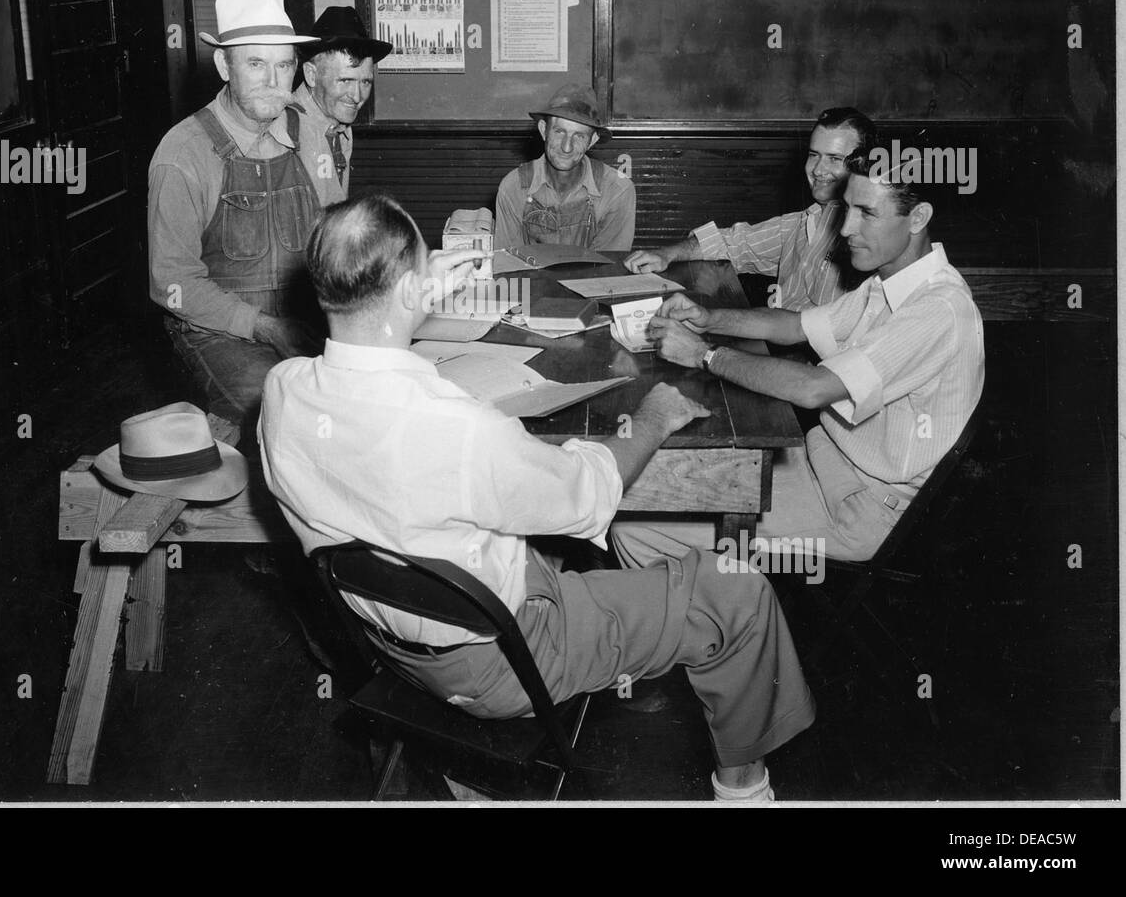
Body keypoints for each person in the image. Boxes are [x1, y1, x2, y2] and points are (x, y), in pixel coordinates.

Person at [259, 193, 815, 802]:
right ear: (410, 290)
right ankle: (746, 792)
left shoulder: (282, 394)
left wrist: (414, 297)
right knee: (738, 591)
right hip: (501, 665)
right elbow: (589, 495)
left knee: (530, 547)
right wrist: (653, 419)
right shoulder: (459, 429)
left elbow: (376, 384)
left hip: (385, 647)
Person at [619, 149, 984, 566]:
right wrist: (709, 317)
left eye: (866, 213)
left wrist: (703, 354)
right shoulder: (886, 284)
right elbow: (795, 326)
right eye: (847, 209)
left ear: (917, 218)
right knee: (638, 487)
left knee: (635, 527)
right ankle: (722, 606)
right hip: (824, 460)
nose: (846, 228)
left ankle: (729, 618)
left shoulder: (937, 308)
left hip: (861, 508)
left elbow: (813, 389)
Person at [147, 0, 321, 433]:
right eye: (256, 63)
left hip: (302, 321)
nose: (272, 80)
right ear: (224, 65)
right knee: (284, 419)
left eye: (284, 65)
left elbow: (333, 240)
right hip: (218, 332)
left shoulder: (309, 135)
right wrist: (264, 327)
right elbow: (173, 285)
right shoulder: (183, 153)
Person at [625, 107, 877, 310]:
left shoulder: (870, 240)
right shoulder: (804, 221)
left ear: (863, 164)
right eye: (814, 155)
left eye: (834, 159)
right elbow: (735, 242)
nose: (819, 170)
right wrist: (667, 254)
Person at [494, 84, 636, 252]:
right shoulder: (513, 187)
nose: (566, 147)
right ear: (543, 130)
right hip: (529, 278)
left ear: (592, 141)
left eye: (579, 136)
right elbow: (509, 263)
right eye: (559, 132)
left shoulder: (617, 190)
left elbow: (608, 268)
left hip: (593, 278)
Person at [290, 6, 392, 207]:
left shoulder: (339, 124)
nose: (356, 96)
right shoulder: (286, 128)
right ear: (311, 75)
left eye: (365, 82)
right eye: (345, 80)